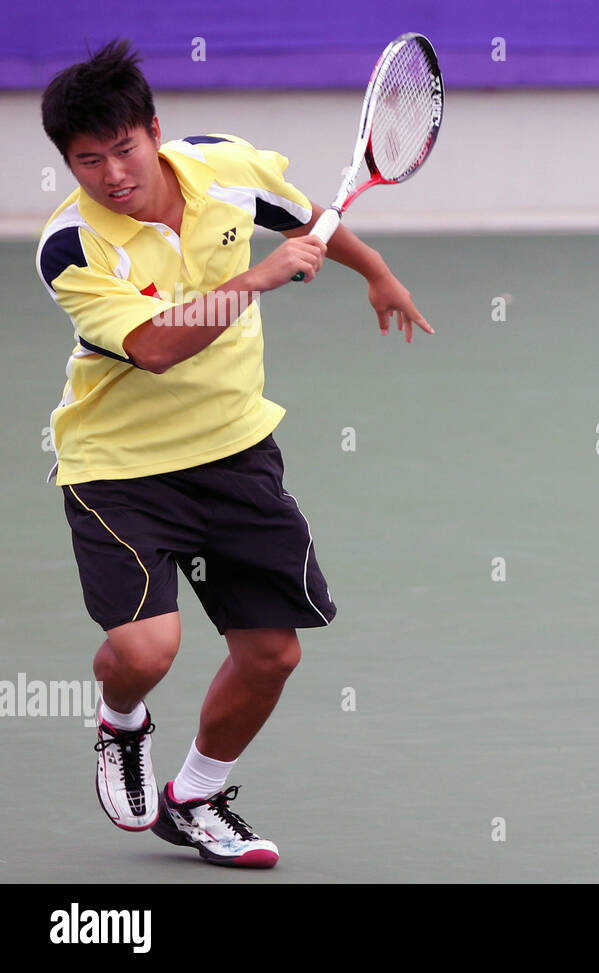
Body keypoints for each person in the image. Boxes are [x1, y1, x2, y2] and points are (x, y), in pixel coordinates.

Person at [37, 39, 432, 867]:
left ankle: (197, 795)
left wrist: (376, 271)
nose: (111, 173)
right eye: (87, 160)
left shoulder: (225, 168)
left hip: (234, 449)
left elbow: (305, 220)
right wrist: (255, 281)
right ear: (67, 164)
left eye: (124, 148)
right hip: (119, 467)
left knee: (272, 652)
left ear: (154, 129)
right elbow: (150, 347)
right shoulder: (73, 247)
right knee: (146, 651)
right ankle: (120, 719)